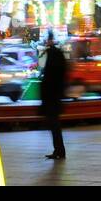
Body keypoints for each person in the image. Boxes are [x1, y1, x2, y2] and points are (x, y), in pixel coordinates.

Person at [40, 32, 67, 160]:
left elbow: (50, 77)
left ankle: (59, 150)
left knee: (54, 125)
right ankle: (58, 150)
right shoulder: (57, 54)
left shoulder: (53, 54)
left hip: (51, 96)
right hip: (55, 95)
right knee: (54, 125)